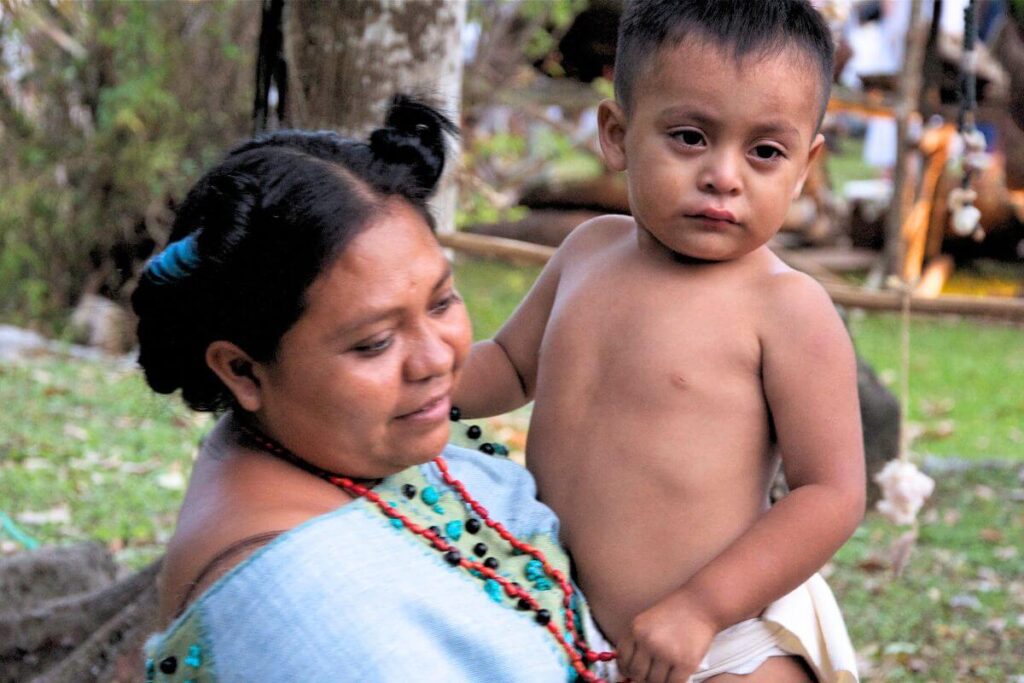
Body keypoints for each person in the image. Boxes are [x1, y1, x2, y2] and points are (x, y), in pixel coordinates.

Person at [452, 1, 865, 681]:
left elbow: (830, 492)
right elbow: (505, 365)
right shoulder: (586, 251)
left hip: (725, 641)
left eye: (765, 151)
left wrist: (702, 606)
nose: (724, 176)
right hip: (572, 631)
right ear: (616, 133)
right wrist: (419, 379)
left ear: (803, 166)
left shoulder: (787, 308)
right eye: (690, 137)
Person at [135, 96, 613, 682]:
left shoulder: (314, 439)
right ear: (241, 370)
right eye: (375, 343)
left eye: (441, 302)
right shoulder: (319, 617)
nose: (438, 359)